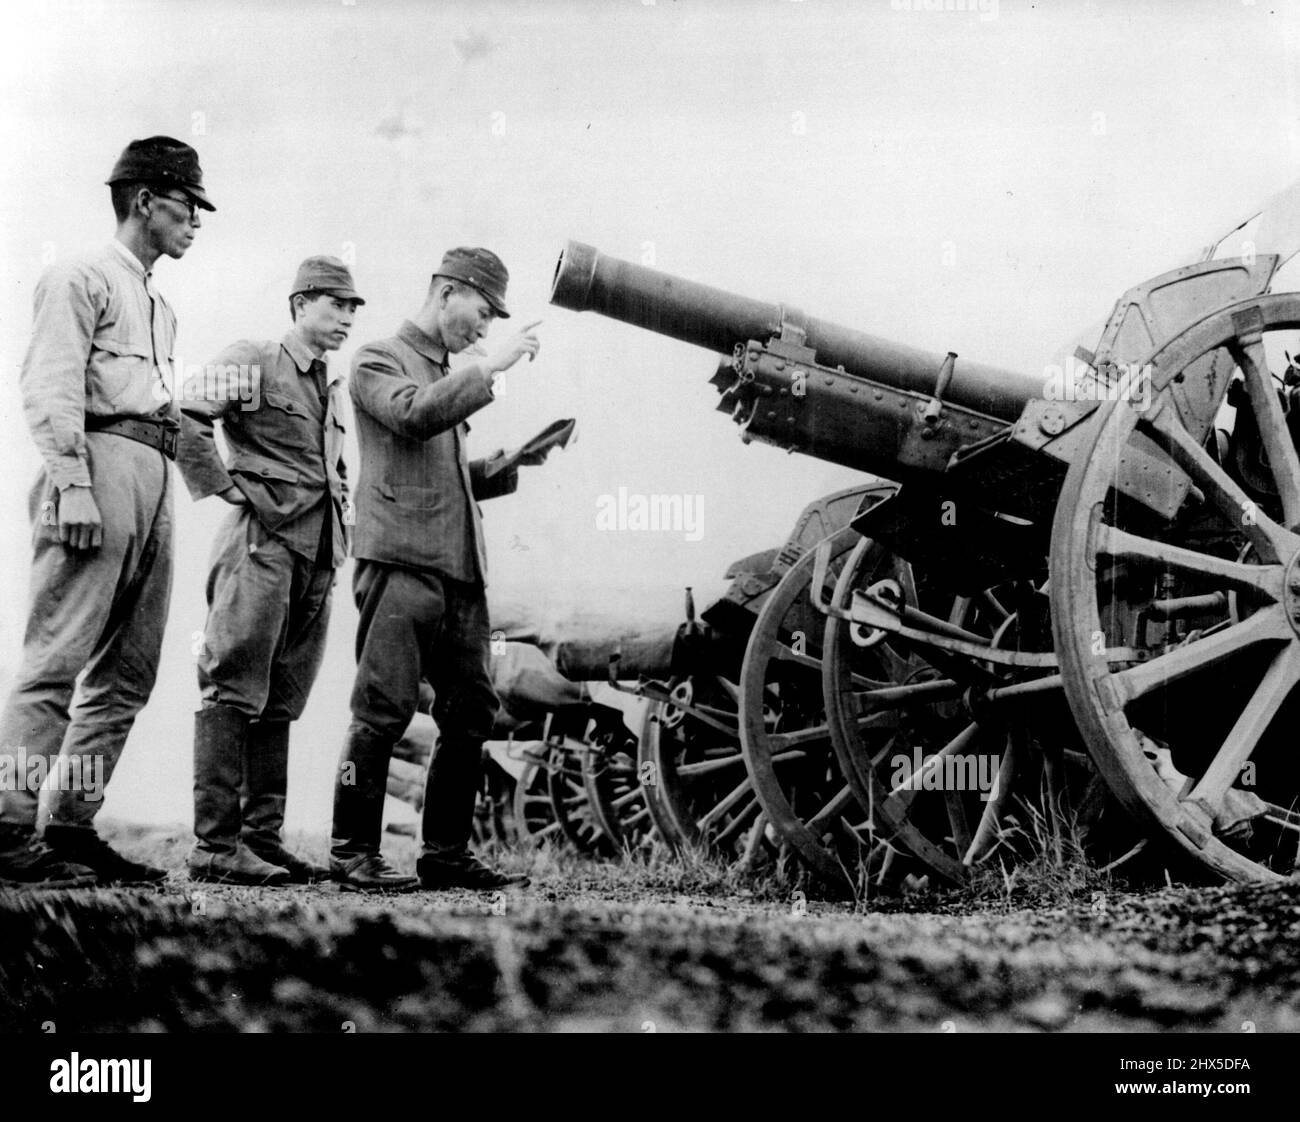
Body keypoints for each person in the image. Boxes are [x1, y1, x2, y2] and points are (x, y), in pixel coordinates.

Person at [0, 137, 214, 887]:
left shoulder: (158, 304)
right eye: (186, 206)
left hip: (151, 480)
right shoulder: (80, 276)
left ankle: (69, 826)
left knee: (128, 673)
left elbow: (166, 410)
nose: (195, 221)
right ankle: (5, 825)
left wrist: (217, 487)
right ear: (144, 201)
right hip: (96, 469)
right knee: (57, 656)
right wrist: (72, 480)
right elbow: (50, 382)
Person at [330, 247, 542, 891]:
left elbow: (436, 474)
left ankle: (445, 853)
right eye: (482, 312)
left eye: (493, 322)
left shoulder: (444, 372)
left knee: (472, 712)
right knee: (383, 707)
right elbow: (414, 417)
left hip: (456, 571)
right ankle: (351, 851)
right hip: (400, 563)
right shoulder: (377, 358)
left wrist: (507, 467)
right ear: (445, 292)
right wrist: (492, 371)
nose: (485, 329)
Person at [178, 257, 363, 885]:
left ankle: (261, 837)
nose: (346, 318)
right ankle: (214, 848)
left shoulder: (326, 385)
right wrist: (226, 489)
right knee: (232, 683)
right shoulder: (257, 358)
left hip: (316, 556)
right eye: (336, 304)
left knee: (282, 698)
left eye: (352, 309)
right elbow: (187, 412)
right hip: (261, 545)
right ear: (300, 303)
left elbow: (329, 475)